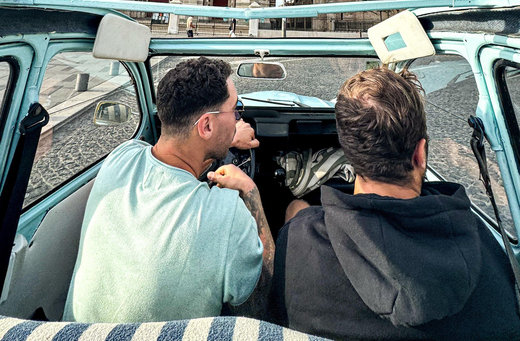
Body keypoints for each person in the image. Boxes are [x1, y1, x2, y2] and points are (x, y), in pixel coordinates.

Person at [271, 67, 520, 341]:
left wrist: (292, 211)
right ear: (420, 154)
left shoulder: (300, 238)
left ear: (349, 153)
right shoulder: (483, 244)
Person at [64, 58, 274, 323]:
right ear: (207, 126)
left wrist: (225, 138)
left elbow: (175, 157)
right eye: (235, 110)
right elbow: (257, 309)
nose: (236, 118)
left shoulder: (121, 157)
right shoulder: (227, 213)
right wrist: (250, 190)